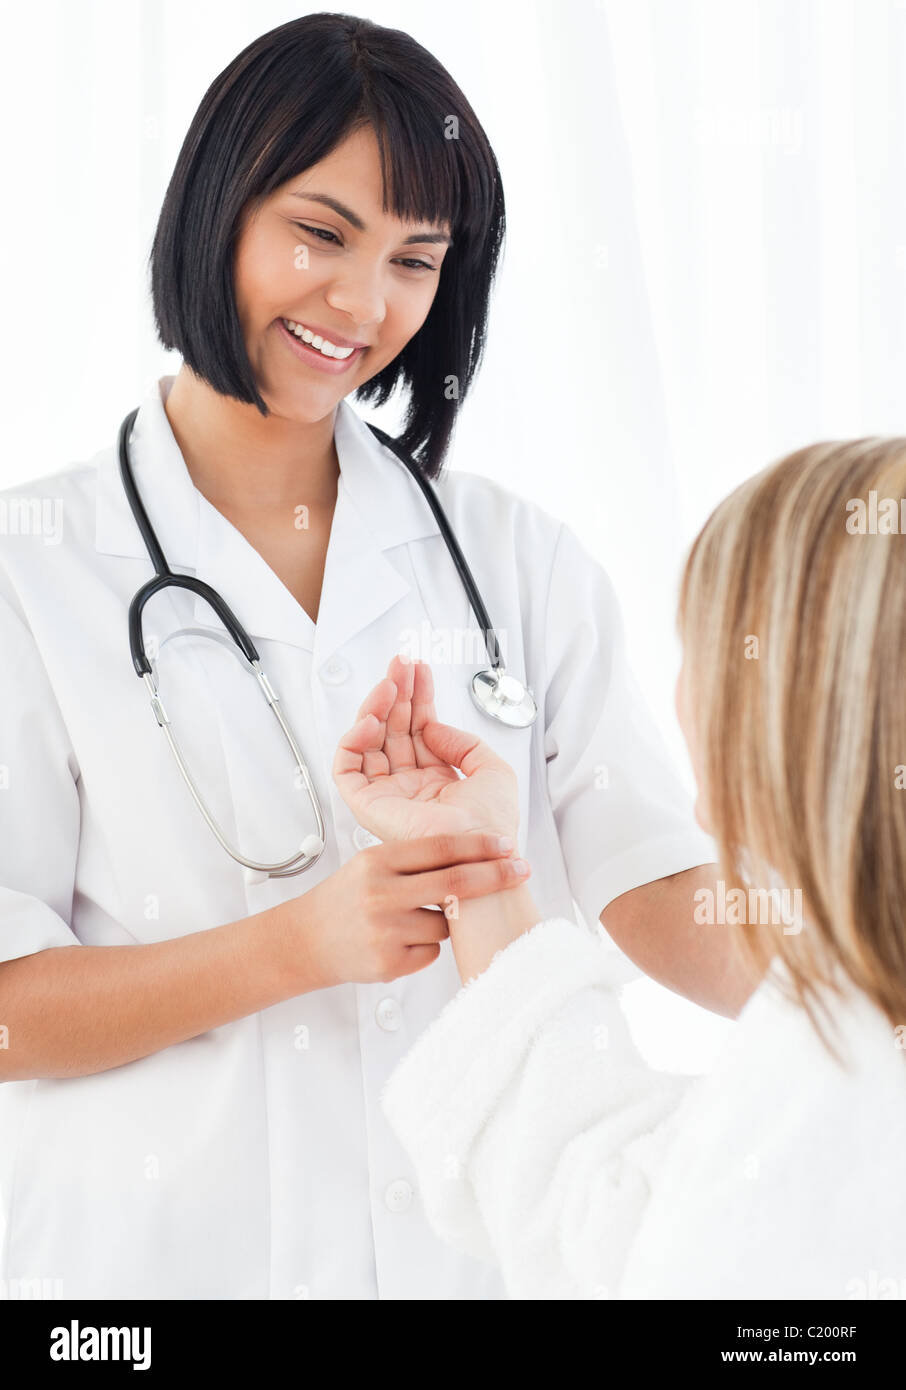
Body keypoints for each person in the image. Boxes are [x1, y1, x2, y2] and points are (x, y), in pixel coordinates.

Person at [0, 14, 726, 1300]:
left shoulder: (517, 560)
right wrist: (299, 944)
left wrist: (858, 976)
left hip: (465, 1271)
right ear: (216, 207)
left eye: (416, 259)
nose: (362, 305)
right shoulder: (33, 565)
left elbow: (656, 886)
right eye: (321, 234)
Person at [334, 439, 906, 1299]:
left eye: (702, 651)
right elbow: (645, 1210)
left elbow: (629, 1250)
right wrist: (475, 862)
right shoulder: (850, 1038)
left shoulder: (844, 1079)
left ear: (795, 710)